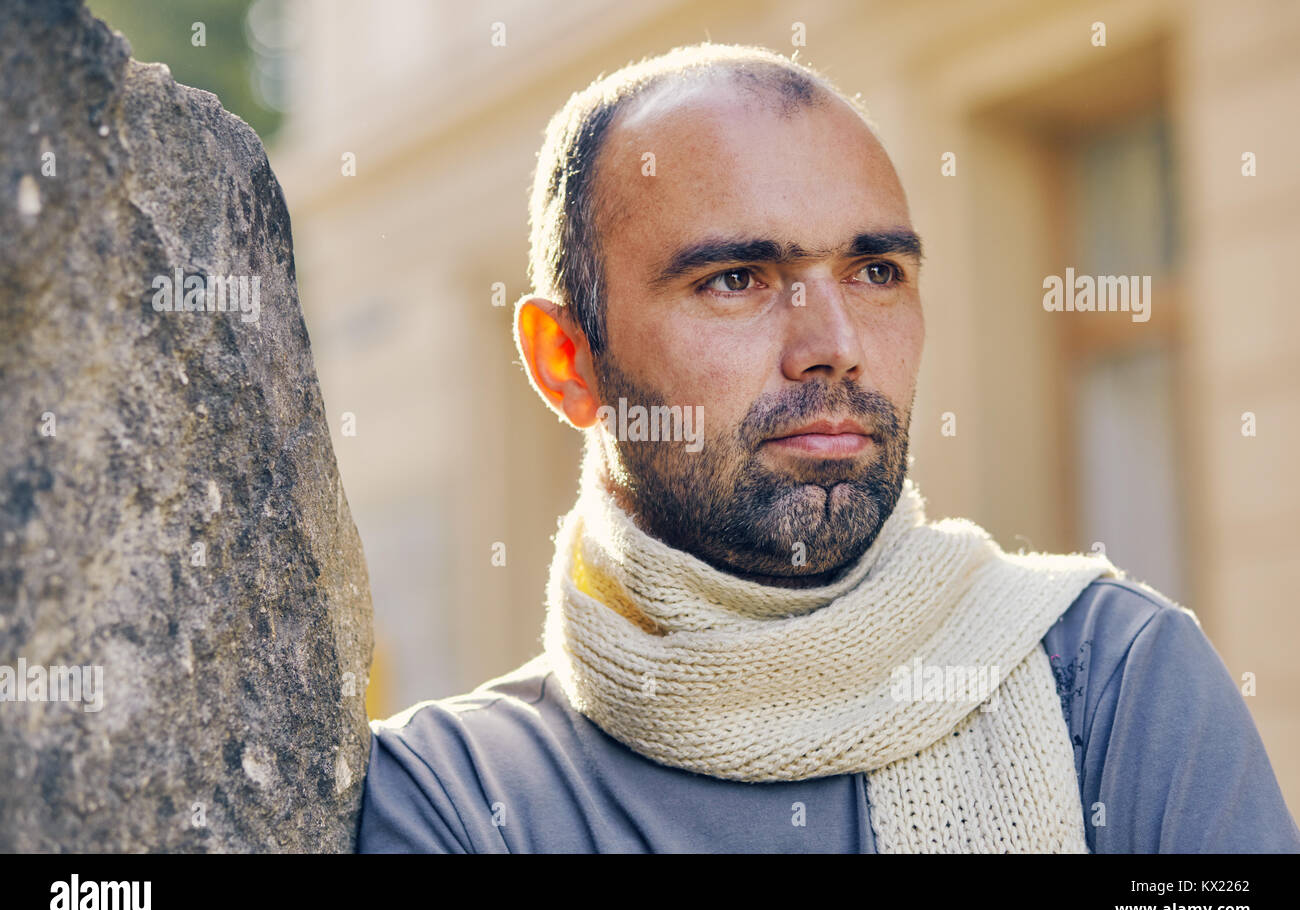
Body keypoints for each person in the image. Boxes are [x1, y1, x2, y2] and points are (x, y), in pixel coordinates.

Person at [357, 43, 1299, 853]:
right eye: (737, 279)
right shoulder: (455, 798)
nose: (835, 344)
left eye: (877, 271)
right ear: (568, 361)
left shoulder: (1116, 681)